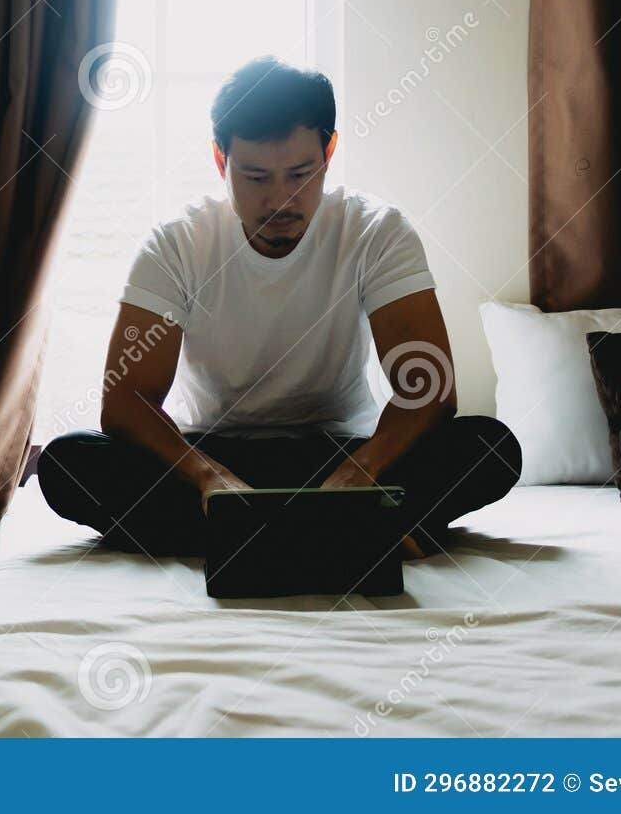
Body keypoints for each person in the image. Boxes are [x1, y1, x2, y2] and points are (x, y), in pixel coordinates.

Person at [38, 57, 521, 561]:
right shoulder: (176, 244)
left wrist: (359, 474)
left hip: (341, 453)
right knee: (67, 463)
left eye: (299, 173)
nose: (279, 200)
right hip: (212, 451)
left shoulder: (377, 232)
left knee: (490, 447)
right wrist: (210, 477)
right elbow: (125, 402)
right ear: (221, 161)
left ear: (329, 152)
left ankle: (248, 534)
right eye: (255, 177)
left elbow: (431, 390)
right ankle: (345, 531)